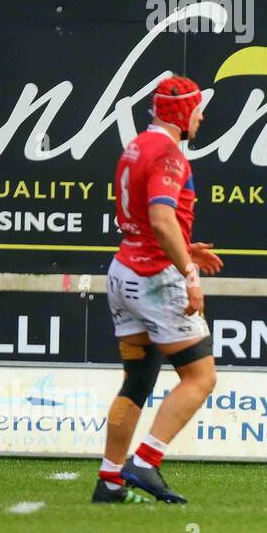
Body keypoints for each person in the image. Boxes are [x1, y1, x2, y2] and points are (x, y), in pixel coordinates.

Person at [96, 76, 222, 505]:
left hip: (123, 272)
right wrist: (189, 272)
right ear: (184, 114)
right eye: (198, 110)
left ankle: (110, 481)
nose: (201, 118)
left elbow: (144, 220)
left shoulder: (136, 146)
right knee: (201, 377)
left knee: (137, 379)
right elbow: (161, 218)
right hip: (155, 279)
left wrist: (184, 246)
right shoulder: (170, 155)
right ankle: (145, 462)